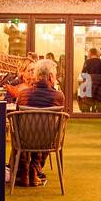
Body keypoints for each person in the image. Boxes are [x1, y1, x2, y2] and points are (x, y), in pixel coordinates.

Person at [13, 59, 64, 187]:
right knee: (47, 131)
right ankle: (34, 169)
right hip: (47, 141)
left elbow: (17, 121)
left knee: (19, 132)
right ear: (51, 76)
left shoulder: (23, 94)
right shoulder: (58, 96)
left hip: (24, 141)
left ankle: (23, 173)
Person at [81, 47, 101, 113]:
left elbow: (83, 73)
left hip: (89, 82)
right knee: (98, 99)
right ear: (97, 53)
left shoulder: (87, 61)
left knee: (84, 95)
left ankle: (87, 111)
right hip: (100, 83)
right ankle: (98, 111)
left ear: (90, 53)